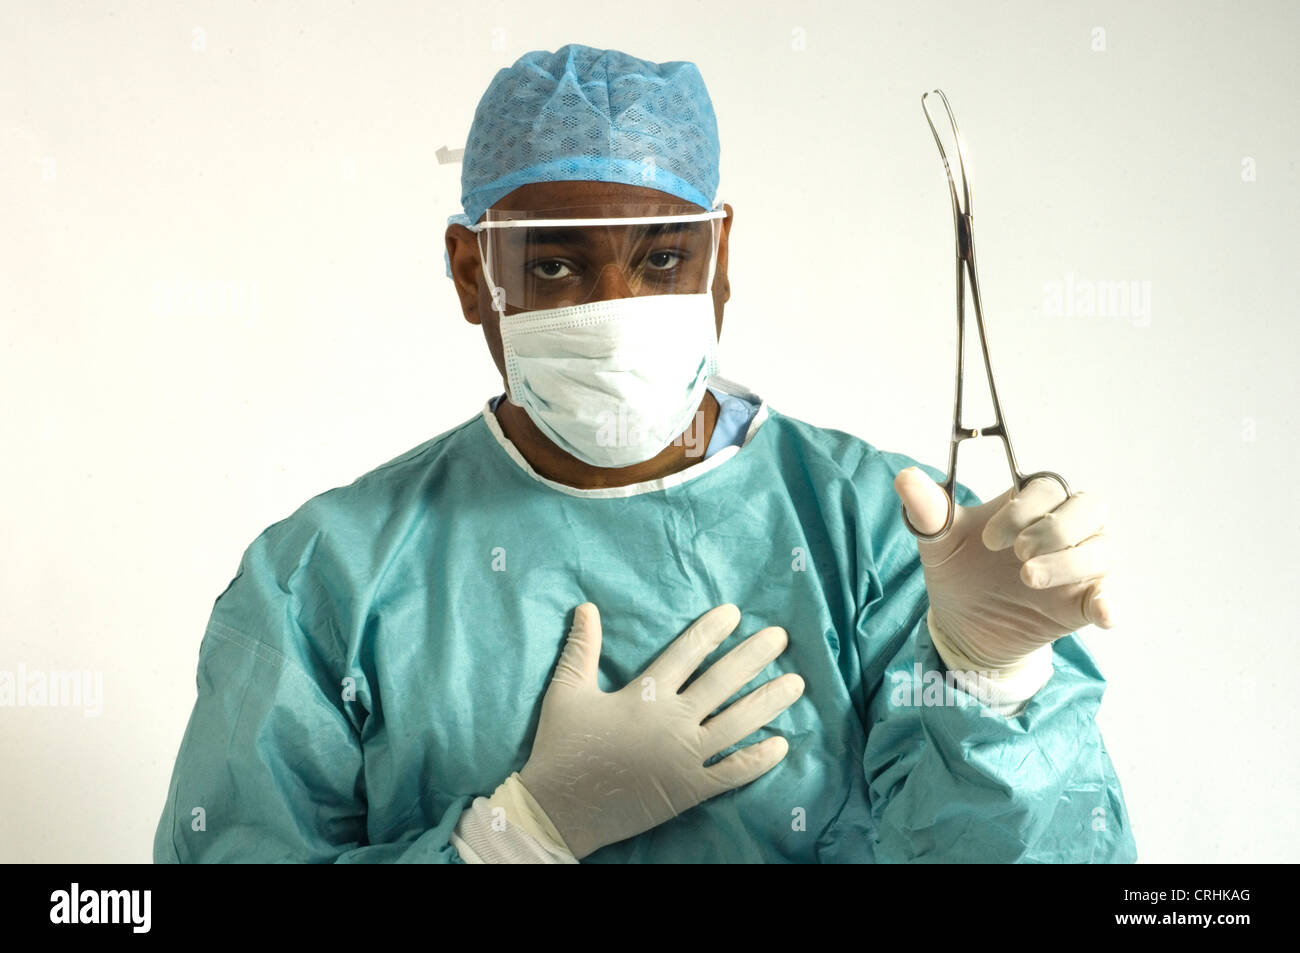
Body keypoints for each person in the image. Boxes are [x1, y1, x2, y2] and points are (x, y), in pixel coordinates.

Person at [153, 43, 1136, 864]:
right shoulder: (325, 581)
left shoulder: (888, 535)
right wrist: (514, 837)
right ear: (470, 271)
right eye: (555, 263)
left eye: (661, 258)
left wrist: (989, 680)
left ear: (720, 254)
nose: (612, 307)